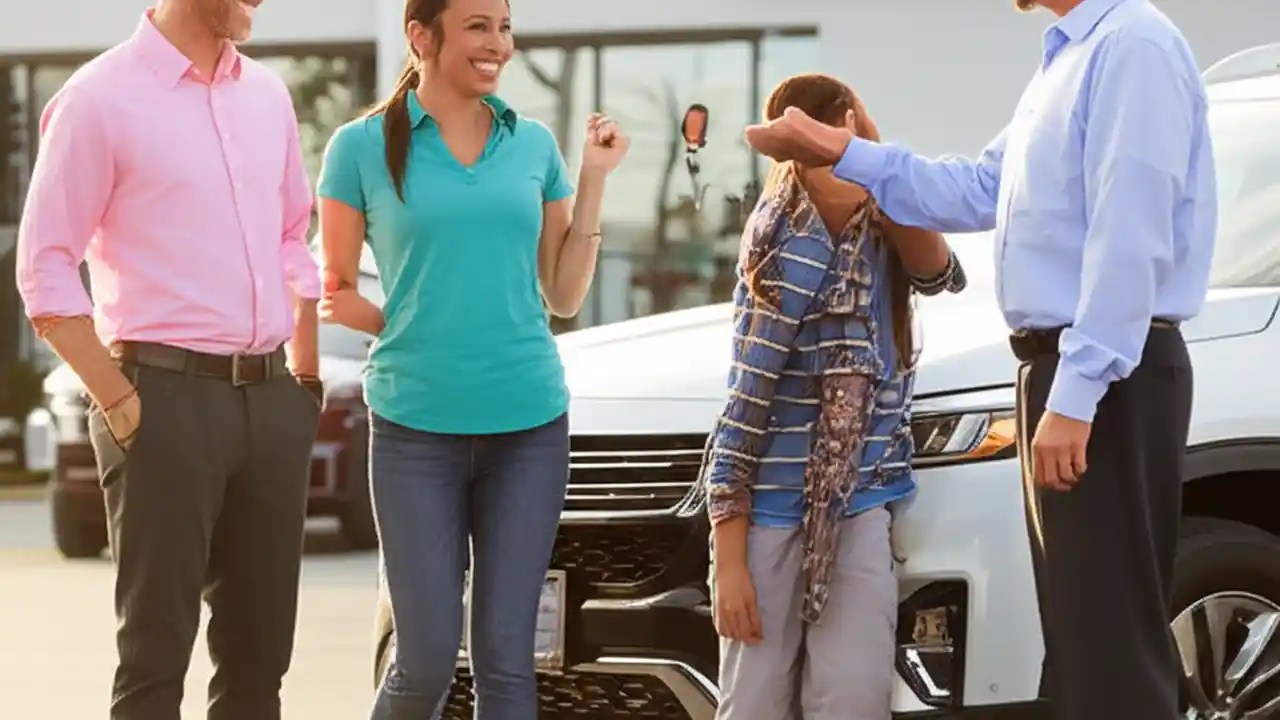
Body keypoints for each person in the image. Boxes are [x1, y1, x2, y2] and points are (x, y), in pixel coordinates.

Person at [742, 0, 1216, 718]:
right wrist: (842, 150)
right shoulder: (1067, 58)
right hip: (1062, 373)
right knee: (1083, 644)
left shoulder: (1133, 46)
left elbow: (1132, 236)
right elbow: (975, 187)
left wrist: (1075, 396)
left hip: (1108, 377)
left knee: (1112, 645)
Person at [313, 0, 628, 716]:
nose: (498, 44)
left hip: (529, 426)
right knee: (423, 661)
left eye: (505, 27)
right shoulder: (359, 148)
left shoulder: (533, 145)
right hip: (414, 428)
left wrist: (597, 177)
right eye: (478, 26)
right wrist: (416, 320)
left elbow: (565, 293)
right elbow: (332, 287)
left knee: (507, 663)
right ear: (422, 36)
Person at [14, 1, 324, 719]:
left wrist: (302, 382)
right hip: (162, 401)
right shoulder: (97, 100)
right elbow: (46, 267)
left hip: (273, 399)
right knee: (155, 663)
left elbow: (291, 239)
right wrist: (120, 402)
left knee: (259, 664)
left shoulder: (267, 96)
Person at [705, 74, 965, 720]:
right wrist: (729, 561)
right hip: (768, 509)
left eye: (842, 146)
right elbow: (745, 404)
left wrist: (873, 151)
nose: (837, 166)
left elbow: (940, 272)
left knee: (852, 695)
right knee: (756, 702)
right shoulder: (781, 249)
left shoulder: (887, 227)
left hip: (862, 500)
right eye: (817, 155)